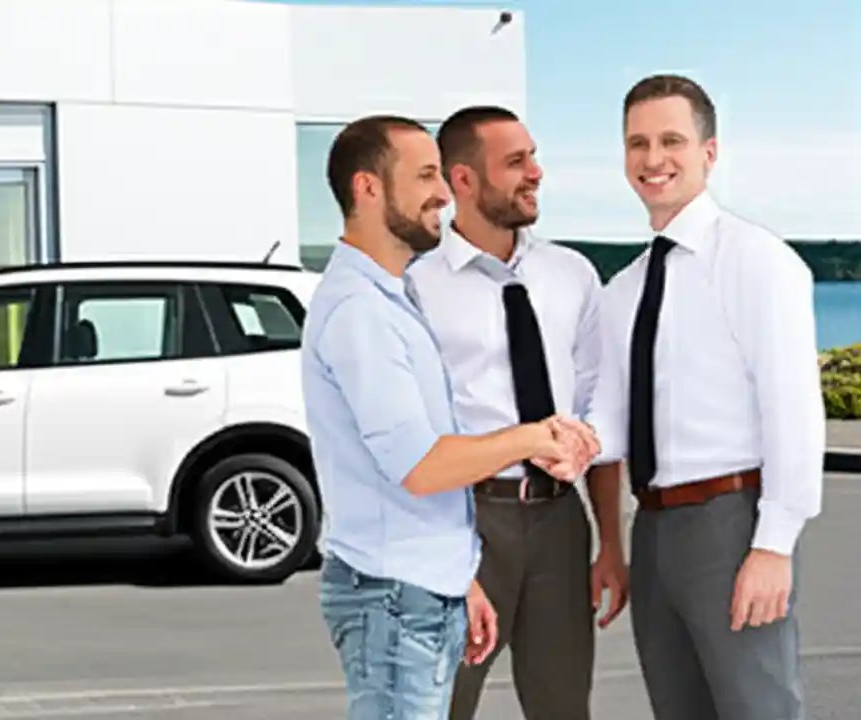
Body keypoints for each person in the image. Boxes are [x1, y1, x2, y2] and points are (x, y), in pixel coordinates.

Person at [301, 114, 600, 720]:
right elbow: (418, 462)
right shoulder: (369, 309)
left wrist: (458, 575)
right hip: (399, 589)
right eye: (426, 176)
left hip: (434, 571)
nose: (441, 194)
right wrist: (532, 437)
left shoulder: (388, 297)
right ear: (368, 189)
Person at [586, 73, 825, 720]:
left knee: (758, 707)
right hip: (655, 529)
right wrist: (549, 443)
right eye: (638, 143)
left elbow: (794, 410)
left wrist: (773, 544)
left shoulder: (758, 261)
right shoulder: (624, 290)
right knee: (678, 709)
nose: (653, 159)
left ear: (708, 153)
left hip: (732, 520)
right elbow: (610, 417)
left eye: (671, 140)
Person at [405, 105, 628, 720]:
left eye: (532, 156)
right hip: (462, 519)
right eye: (515, 162)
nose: (537, 172)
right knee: (437, 705)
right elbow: (406, 440)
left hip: (560, 522)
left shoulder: (572, 275)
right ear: (463, 181)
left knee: (563, 708)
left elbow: (595, 414)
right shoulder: (414, 287)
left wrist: (609, 541)